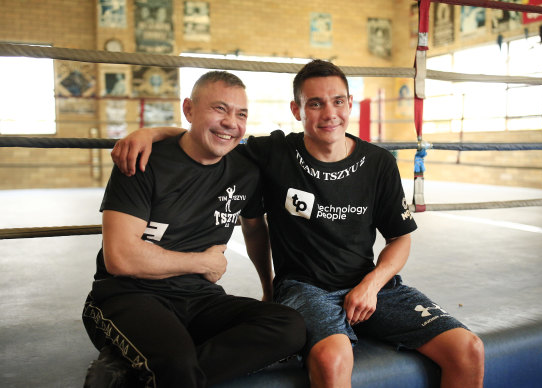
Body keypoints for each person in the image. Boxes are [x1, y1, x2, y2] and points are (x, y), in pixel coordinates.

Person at [112, 60, 485, 387]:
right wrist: (151, 133)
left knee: (469, 349)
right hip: (305, 288)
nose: (330, 113)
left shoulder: (378, 163)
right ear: (296, 110)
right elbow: (212, 135)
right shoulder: (274, 153)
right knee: (332, 359)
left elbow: (400, 239)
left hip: (370, 284)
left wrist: (371, 285)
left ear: (350, 104)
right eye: (315, 103)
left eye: (338, 101)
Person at [82, 71, 306, 388]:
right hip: (128, 296)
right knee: (177, 362)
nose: (231, 122)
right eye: (219, 108)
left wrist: (269, 290)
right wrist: (201, 262)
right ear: (189, 109)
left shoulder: (245, 170)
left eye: (241, 113)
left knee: (290, 326)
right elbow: (120, 258)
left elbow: (255, 229)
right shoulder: (143, 160)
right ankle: (171, 366)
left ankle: (130, 373)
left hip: (199, 298)